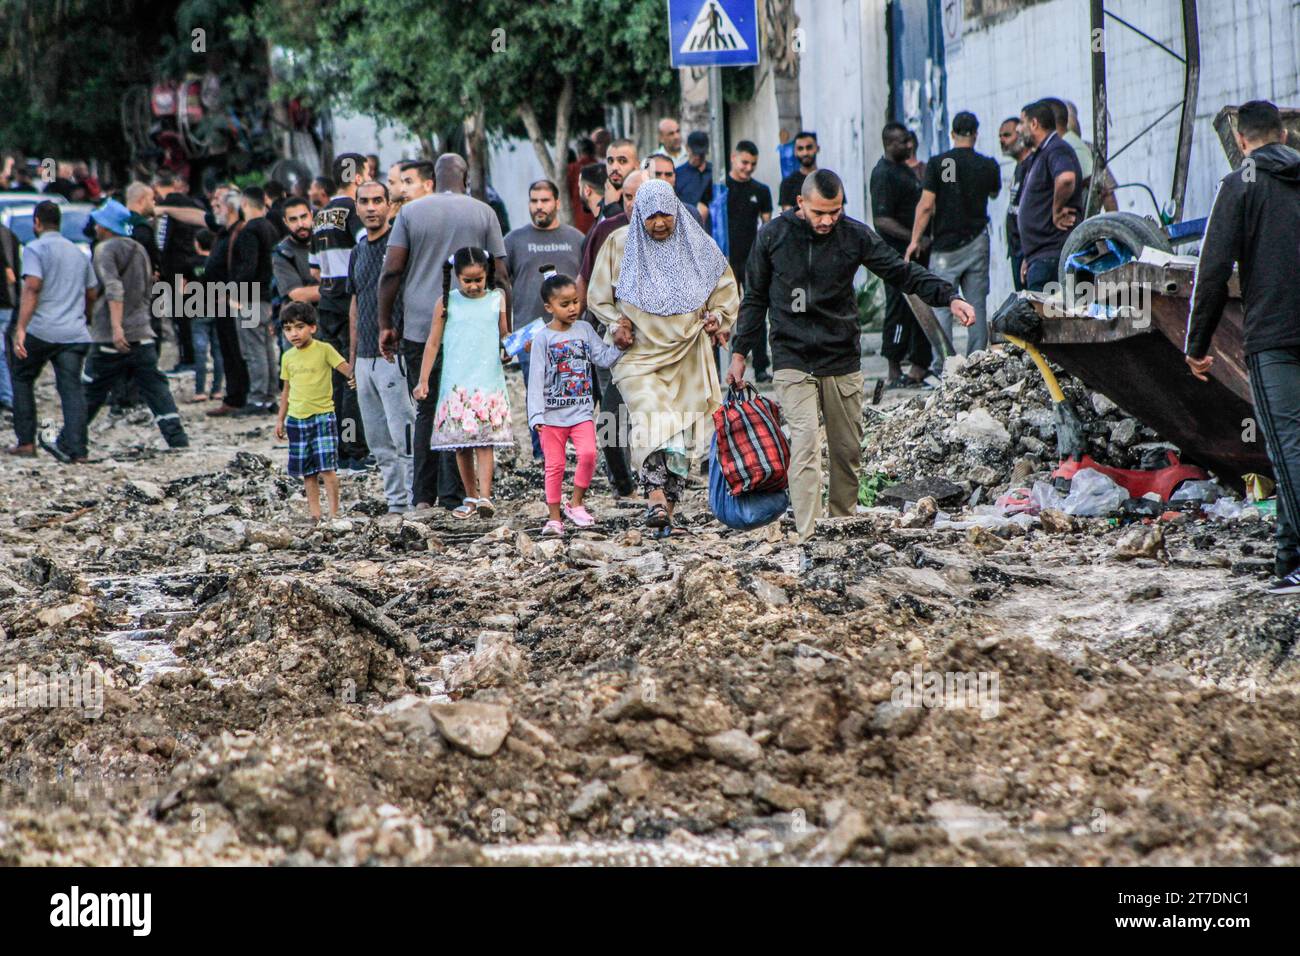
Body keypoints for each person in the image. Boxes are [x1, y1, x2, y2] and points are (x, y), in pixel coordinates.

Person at [729, 170, 973, 541]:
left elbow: (900, 272)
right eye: (819, 213)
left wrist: (949, 296)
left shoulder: (854, 235)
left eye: (835, 211)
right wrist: (739, 353)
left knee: (846, 452)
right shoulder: (773, 237)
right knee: (806, 444)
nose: (827, 221)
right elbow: (754, 299)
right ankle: (808, 535)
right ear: (801, 205)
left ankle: (840, 526)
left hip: (841, 357)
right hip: (791, 356)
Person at [1185, 99, 1300, 595]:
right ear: (1285, 135)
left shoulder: (1240, 184)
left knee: (1288, 448)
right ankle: (1287, 560)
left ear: (1242, 140)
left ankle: (1296, 565)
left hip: (1275, 338)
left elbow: (1212, 272)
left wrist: (1197, 343)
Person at [587, 179, 738, 535]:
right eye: (651, 216)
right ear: (639, 214)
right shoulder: (619, 245)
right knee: (651, 421)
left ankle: (666, 508)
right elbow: (598, 297)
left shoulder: (696, 245)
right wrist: (614, 322)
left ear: (676, 212)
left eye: (665, 215)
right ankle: (654, 496)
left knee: (683, 432)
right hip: (638, 356)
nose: (658, 223)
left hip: (687, 353)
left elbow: (726, 289)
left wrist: (718, 317)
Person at [377, 152, 509, 511]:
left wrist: (386, 323)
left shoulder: (410, 212)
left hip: (421, 325)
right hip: (472, 331)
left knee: (428, 408)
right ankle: (456, 496)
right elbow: (501, 274)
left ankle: (422, 496)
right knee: (464, 406)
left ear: (433, 179)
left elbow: (391, 272)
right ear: (465, 179)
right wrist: (505, 332)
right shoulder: (484, 212)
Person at [527, 267, 633, 536]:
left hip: (582, 412)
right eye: (565, 304)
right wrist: (536, 416)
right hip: (551, 416)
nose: (573, 308)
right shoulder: (543, 339)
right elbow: (536, 379)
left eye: (575, 302)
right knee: (555, 465)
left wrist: (620, 348)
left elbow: (602, 358)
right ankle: (553, 517)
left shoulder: (585, 330)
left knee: (588, 455)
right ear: (549, 307)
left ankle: (576, 503)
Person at [411, 247, 513, 519]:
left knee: (484, 442)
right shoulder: (447, 302)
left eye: (478, 279)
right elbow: (433, 342)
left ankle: (485, 497)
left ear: (487, 274)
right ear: (456, 277)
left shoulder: (496, 299)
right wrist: (423, 380)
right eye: (467, 280)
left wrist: (510, 348)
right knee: (461, 444)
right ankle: (469, 496)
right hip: (457, 381)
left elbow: (504, 336)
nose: (473, 285)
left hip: (487, 379)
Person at [82, 199, 189, 449]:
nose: (95, 227)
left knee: (91, 389)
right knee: (156, 388)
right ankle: (177, 438)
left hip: (111, 335)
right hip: (142, 332)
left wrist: (117, 327)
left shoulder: (104, 249)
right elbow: (147, 288)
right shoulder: (138, 248)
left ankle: (69, 439)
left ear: (105, 226)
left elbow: (113, 288)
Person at [905, 111, 1001, 364]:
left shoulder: (938, 163)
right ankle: (978, 360)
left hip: (946, 246)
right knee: (977, 302)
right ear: (976, 135)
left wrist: (915, 240)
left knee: (942, 305)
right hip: (978, 240)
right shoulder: (988, 165)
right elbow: (993, 193)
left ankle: (945, 363)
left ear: (952, 133)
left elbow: (926, 205)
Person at [8, 202, 97, 461]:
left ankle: (26, 441)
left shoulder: (36, 249)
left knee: (22, 377)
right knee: (71, 388)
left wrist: (21, 328)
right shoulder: (77, 252)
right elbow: (92, 291)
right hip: (74, 332)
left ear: (37, 223)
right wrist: (85, 315)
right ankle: (78, 449)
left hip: (43, 329)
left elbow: (32, 287)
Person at [505, 179, 585, 460]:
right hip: (529, 334)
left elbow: (585, 283)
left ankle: (570, 448)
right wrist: (504, 335)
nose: (539, 206)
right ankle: (543, 453)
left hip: (570, 332)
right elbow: (501, 286)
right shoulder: (513, 241)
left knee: (570, 393)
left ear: (557, 203)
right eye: (534, 201)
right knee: (536, 394)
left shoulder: (575, 239)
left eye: (545, 200)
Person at [348, 180, 414, 514]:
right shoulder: (358, 250)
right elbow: (356, 304)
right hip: (364, 360)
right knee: (377, 440)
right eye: (365, 201)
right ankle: (396, 504)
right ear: (356, 206)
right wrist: (351, 358)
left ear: (389, 205)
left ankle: (415, 503)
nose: (371, 207)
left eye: (378, 201)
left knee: (404, 435)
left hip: (394, 354)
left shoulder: (399, 245)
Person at [309, 154, 370, 471]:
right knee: (353, 373)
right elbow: (367, 244)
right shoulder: (353, 210)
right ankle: (354, 450)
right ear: (358, 177)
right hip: (350, 301)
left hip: (326, 300)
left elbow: (315, 269)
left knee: (334, 373)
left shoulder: (320, 215)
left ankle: (338, 448)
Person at [275, 301, 354, 521]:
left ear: (312, 327)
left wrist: (355, 378)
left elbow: (345, 368)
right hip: (296, 420)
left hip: (323, 417)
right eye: (288, 329)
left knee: (327, 469)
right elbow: (286, 390)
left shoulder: (324, 349)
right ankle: (316, 516)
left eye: (299, 327)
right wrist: (280, 420)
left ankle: (335, 514)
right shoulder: (288, 357)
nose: (294, 333)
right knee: (307, 472)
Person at [872, 122, 933, 387]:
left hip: (915, 255)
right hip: (896, 255)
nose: (909, 146)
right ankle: (894, 369)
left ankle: (919, 365)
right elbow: (881, 220)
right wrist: (914, 238)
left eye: (909, 141)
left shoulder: (903, 171)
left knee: (918, 307)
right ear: (889, 143)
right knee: (898, 308)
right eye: (903, 142)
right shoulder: (883, 174)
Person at [1017, 98, 1083, 292]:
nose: (1019, 129)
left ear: (1034, 124)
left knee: (1050, 319)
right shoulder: (1040, 154)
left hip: (1053, 257)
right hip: (1040, 258)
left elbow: (1066, 178)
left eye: (1022, 123)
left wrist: (1057, 210)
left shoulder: (1057, 148)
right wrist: (1029, 256)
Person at [724, 141, 774, 381]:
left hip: (752, 259)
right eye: (744, 163)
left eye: (753, 164)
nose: (748, 168)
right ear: (734, 158)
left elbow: (767, 225)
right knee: (723, 312)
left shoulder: (761, 190)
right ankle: (718, 367)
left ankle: (762, 366)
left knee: (756, 310)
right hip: (725, 260)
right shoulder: (721, 188)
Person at [229, 186, 281, 415]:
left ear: (245, 204)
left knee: (254, 349)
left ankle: (259, 398)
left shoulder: (250, 231)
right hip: (267, 297)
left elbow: (247, 267)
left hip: (250, 298)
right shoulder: (270, 228)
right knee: (266, 348)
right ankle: (269, 397)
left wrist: (235, 292)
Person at [152, 170, 203, 375]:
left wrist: (159, 267)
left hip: (174, 268)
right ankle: (196, 358)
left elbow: (162, 241)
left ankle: (187, 359)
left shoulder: (165, 209)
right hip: (194, 265)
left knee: (180, 315)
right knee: (194, 314)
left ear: (158, 187)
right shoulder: (194, 205)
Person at [999, 116, 1035, 292]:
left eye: (1007, 135)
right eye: (1000, 136)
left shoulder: (1032, 165)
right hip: (1017, 249)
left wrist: (1029, 253)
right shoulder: (1019, 166)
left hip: (1028, 250)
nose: (1002, 140)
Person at [189, 228, 224, 402]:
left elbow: (182, 289)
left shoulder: (189, 263)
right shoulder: (219, 261)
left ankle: (199, 390)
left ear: (197, 243)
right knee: (218, 351)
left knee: (200, 352)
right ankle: (217, 390)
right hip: (219, 310)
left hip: (197, 311)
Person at [644, 155, 704, 225]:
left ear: (675, 178)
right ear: (645, 177)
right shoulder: (634, 210)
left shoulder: (690, 213)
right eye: (657, 174)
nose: (663, 179)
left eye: (668, 175)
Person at [675, 131, 714, 225]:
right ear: (687, 148)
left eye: (701, 154)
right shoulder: (678, 174)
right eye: (695, 153)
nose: (697, 157)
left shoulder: (715, 174)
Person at [779, 131, 820, 211]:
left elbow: (839, 213)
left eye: (809, 147)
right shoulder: (788, 183)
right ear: (795, 152)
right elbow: (788, 218)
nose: (805, 153)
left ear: (817, 148)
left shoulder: (829, 179)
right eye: (800, 148)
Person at [602, 139, 638, 220]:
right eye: (610, 161)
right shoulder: (604, 197)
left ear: (637, 165)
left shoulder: (645, 197)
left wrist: (611, 207)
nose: (614, 167)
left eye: (622, 161)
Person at [567, 139, 598, 233]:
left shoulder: (572, 169)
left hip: (578, 222)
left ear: (579, 152)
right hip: (600, 222)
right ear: (594, 151)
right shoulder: (603, 168)